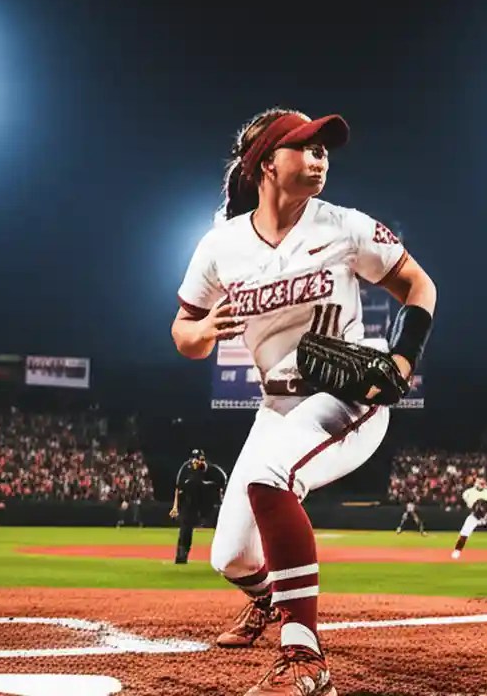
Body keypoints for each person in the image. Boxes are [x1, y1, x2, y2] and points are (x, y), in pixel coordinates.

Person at [172, 107, 437, 696]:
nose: (319, 158)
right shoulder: (221, 246)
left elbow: (420, 284)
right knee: (231, 557)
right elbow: (183, 332)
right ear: (267, 162)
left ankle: (304, 656)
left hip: (346, 393)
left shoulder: (342, 226)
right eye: (305, 147)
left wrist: (403, 356)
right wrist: (204, 330)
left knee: (269, 477)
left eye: (324, 150)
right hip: (277, 406)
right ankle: (267, 598)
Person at [170, 448, 228, 564]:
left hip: (210, 504)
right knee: (185, 527)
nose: (196, 462)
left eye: (199, 460)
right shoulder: (186, 469)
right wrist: (175, 507)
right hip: (191, 503)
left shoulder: (214, 470)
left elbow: (225, 484)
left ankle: (226, 557)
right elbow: (178, 487)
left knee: (222, 528)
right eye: (194, 460)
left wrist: (225, 504)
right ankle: (182, 556)